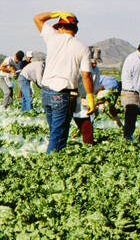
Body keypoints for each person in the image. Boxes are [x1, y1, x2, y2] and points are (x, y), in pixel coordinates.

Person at [32, 10, 96, 149]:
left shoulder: (53, 37)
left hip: (46, 92)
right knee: (58, 133)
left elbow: (37, 18)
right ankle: (51, 162)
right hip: (63, 93)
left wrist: (55, 13)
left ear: (61, 27)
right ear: (76, 29)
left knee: (55, 131)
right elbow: (86, 75)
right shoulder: (83, 48)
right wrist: (90, 96)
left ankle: (55, 157)